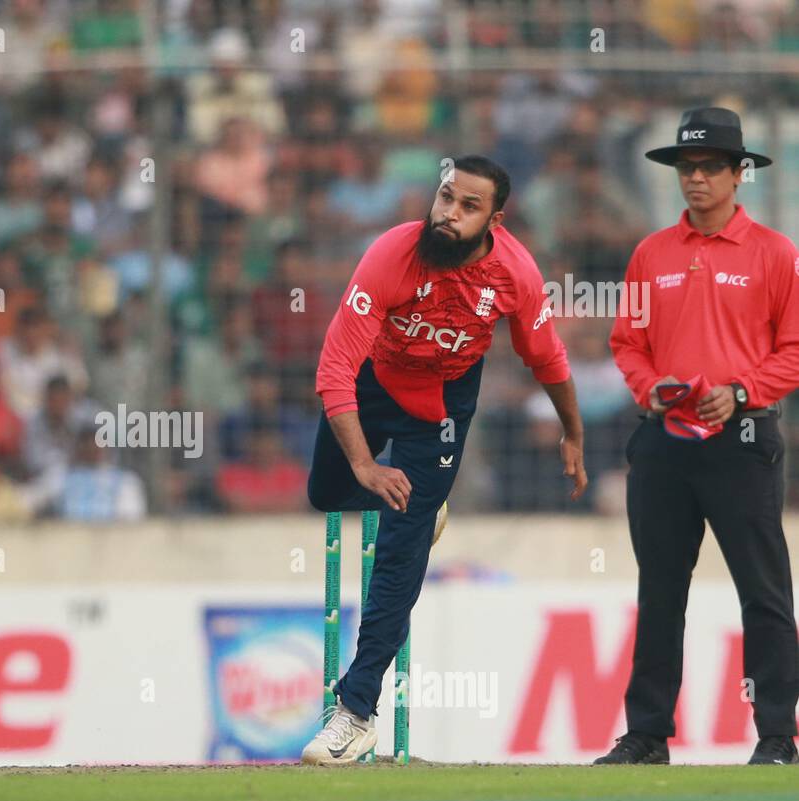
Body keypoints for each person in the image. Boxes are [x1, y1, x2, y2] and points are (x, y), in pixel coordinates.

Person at [301, 155, 587, 765]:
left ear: (495, 219)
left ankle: (354, 713)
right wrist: (363, 466)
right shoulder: (391, 253)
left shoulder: (515, 272)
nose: (449, 214)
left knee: (398, 562)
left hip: (442, 404)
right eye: (446, 198)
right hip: (377, 380)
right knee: (325, 492)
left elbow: (547, 358)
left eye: (468, 206)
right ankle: (419, 505)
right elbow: (334, 370)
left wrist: (572, 432)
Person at [602, 107, 799, 766]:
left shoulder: (775, 254)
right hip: (664, 441)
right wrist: (650, 386)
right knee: (660, 590)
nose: (696, 180)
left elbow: (795, 351)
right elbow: (626, 343)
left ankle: (778, 737)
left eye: (711, 167)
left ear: (739, 174)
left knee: (764, 591)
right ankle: (648, 735)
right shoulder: (649, 253)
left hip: (742, 440)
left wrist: (739, 391)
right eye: (688, 168)